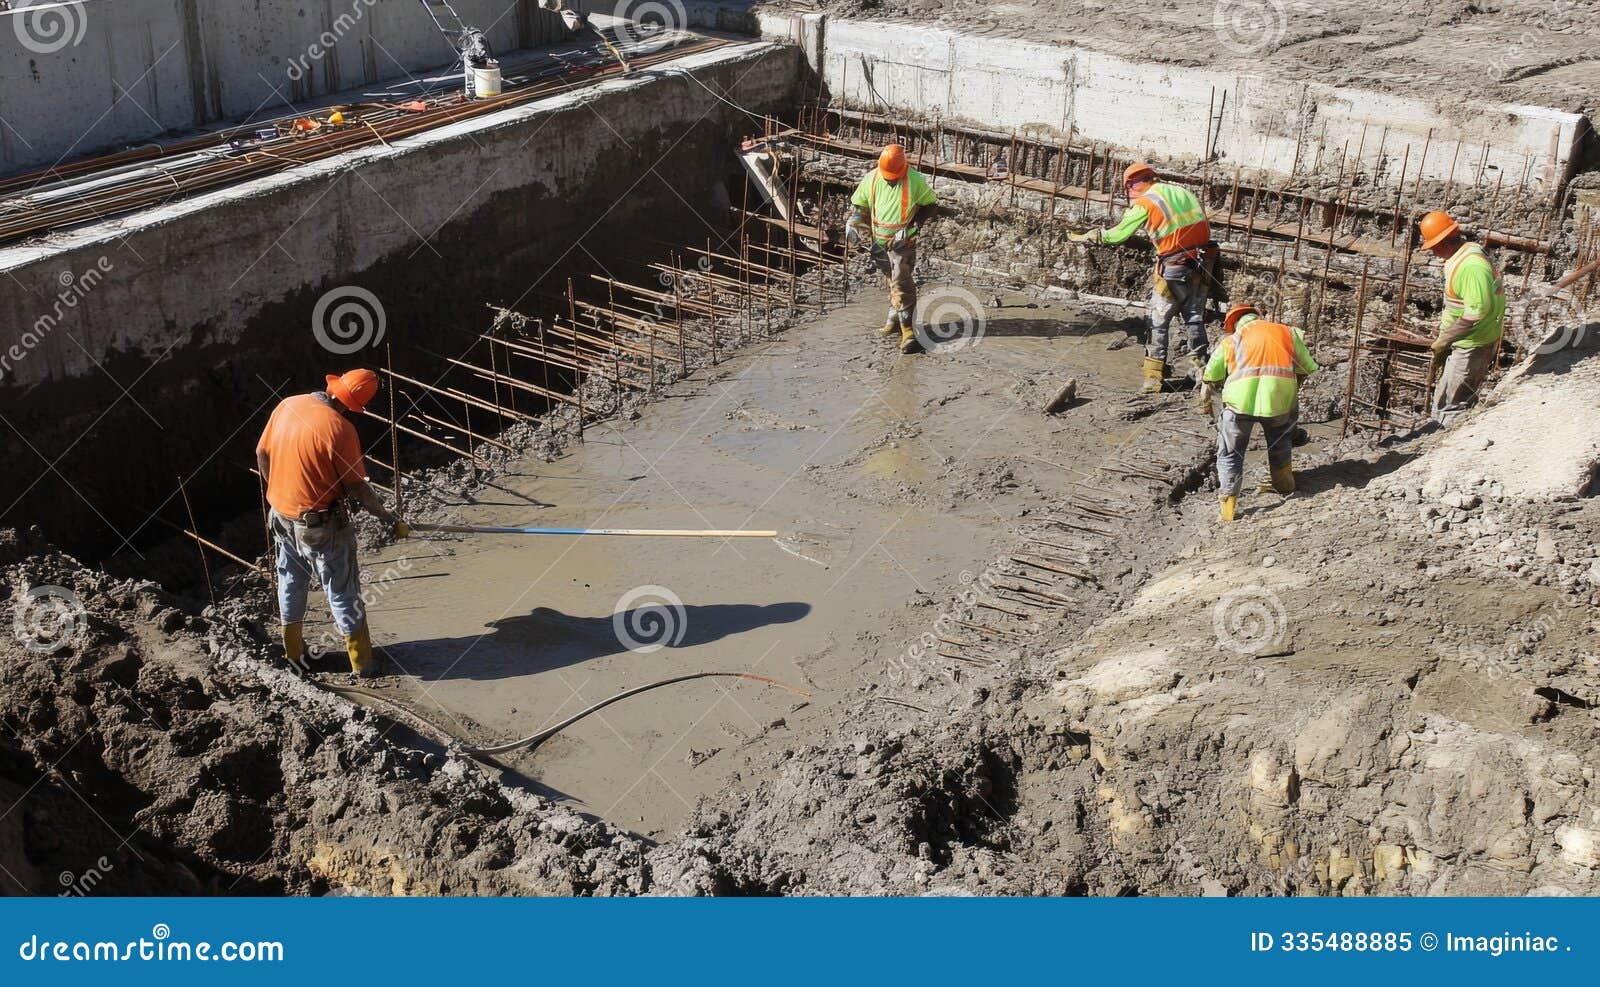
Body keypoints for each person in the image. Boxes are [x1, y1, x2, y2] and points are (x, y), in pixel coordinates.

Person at [256, 369, 408, 677]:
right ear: (353, 406)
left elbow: (261, 453)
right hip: (319, 527)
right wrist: (389, 519)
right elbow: (357, 487)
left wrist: (279, 492)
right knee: (342, 590)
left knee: (291, 580)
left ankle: (294, 654)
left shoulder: (288, 404)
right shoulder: (341, 429)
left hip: (281, 516)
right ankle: (363, 664)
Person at [1071, 163, 1217, 392]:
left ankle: (1153, 378)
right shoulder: (1182, 192)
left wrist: (1092, 236)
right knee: (1194, 317)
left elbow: (1118, 235)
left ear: (1132, 184)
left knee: (1158, 320)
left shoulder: (1145, 202)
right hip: (1203, 263)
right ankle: (1200, 372)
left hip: (1173, 267)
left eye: (1127, 189)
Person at [1199, 304, 1319, 521]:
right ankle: (1284, 485)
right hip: (1279, 401)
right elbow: (1308, 366)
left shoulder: (1232, 340)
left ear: (1234, 323)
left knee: (1230, 453)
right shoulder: (1286, 333)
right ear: (1257, 316)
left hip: (1238, 403)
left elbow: (1211, 375)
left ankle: (1228, 506)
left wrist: (1207, 397)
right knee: (1280, 442)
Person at [848, 143, 939, 354]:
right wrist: (853, 221)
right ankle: (894, 320)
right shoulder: (871, 178)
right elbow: (860, 206)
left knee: (901, 282)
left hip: (903, 242)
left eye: (893, 176)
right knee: (890, 281)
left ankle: (909, 332)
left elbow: (931, 205)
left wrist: (912, 228)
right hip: (878, 241)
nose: (890, 179)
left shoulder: (913, 179)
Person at [1418, 211, 1505, 426]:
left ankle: (1446, 449)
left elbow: (1476, 312)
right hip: (1464, 342)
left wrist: (1444, 340)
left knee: (1454, 405)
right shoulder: (1464, 255)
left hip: (1473, 345)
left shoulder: (1471, 267)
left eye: (1434, 247)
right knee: (1443, 398)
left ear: (1444, 242)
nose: (1433, 252)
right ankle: (1434, 435)